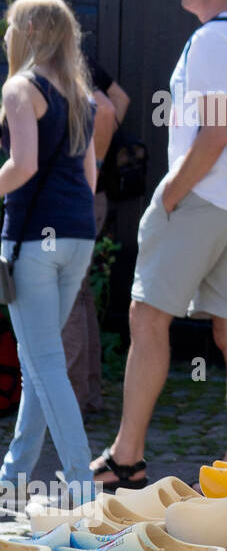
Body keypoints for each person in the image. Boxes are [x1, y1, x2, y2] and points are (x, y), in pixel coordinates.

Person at [90, 0, 227, 490]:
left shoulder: (215, 39)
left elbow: (214, 135)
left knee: (147, 318)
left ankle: (127, 458)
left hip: (203, 200)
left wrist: (168, 195)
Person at [0, 0, 99, 504]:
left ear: (30, 31)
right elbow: (89, 174)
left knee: (43, 361)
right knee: (38, 358)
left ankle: (83, 491)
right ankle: (13, 478)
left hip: (34, 239)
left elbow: (23, 166)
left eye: (11, 25)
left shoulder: (20, 88)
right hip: (77, 236)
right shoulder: (81, 93)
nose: (6, 36)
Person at [61, 55, 128, 413]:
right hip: (90, 195)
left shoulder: (70, 60)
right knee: (79, 293)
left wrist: (93, 165)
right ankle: (87, 395)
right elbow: (120, 102)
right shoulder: (81, 58)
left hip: (80, 196)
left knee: (69, 296)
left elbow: (104, 110)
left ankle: (72, 402)